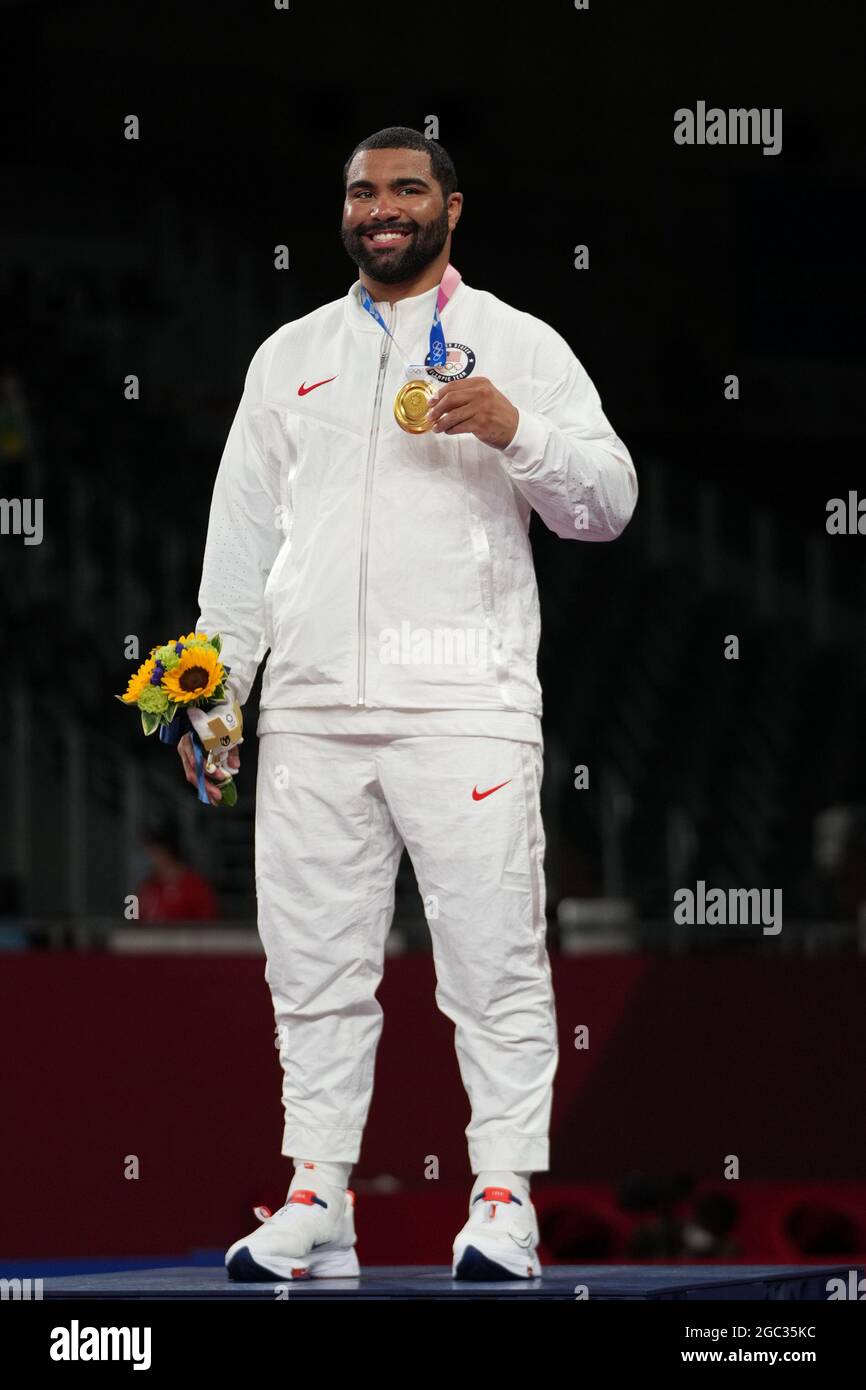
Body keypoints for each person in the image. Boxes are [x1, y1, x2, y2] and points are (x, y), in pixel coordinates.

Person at [177, 126, 637, 1281]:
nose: (379, 207)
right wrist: (218, 692)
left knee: (489, 958)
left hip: (462, 704)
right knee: (313, 964)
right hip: (316, 710)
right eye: (361, 191)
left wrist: (516, 432)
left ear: (450, 208)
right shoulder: (288, 355)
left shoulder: (519, 348)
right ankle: (317, 1195)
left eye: (403, 190)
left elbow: (609, 502)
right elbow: (240, 542)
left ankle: (499, 1197)